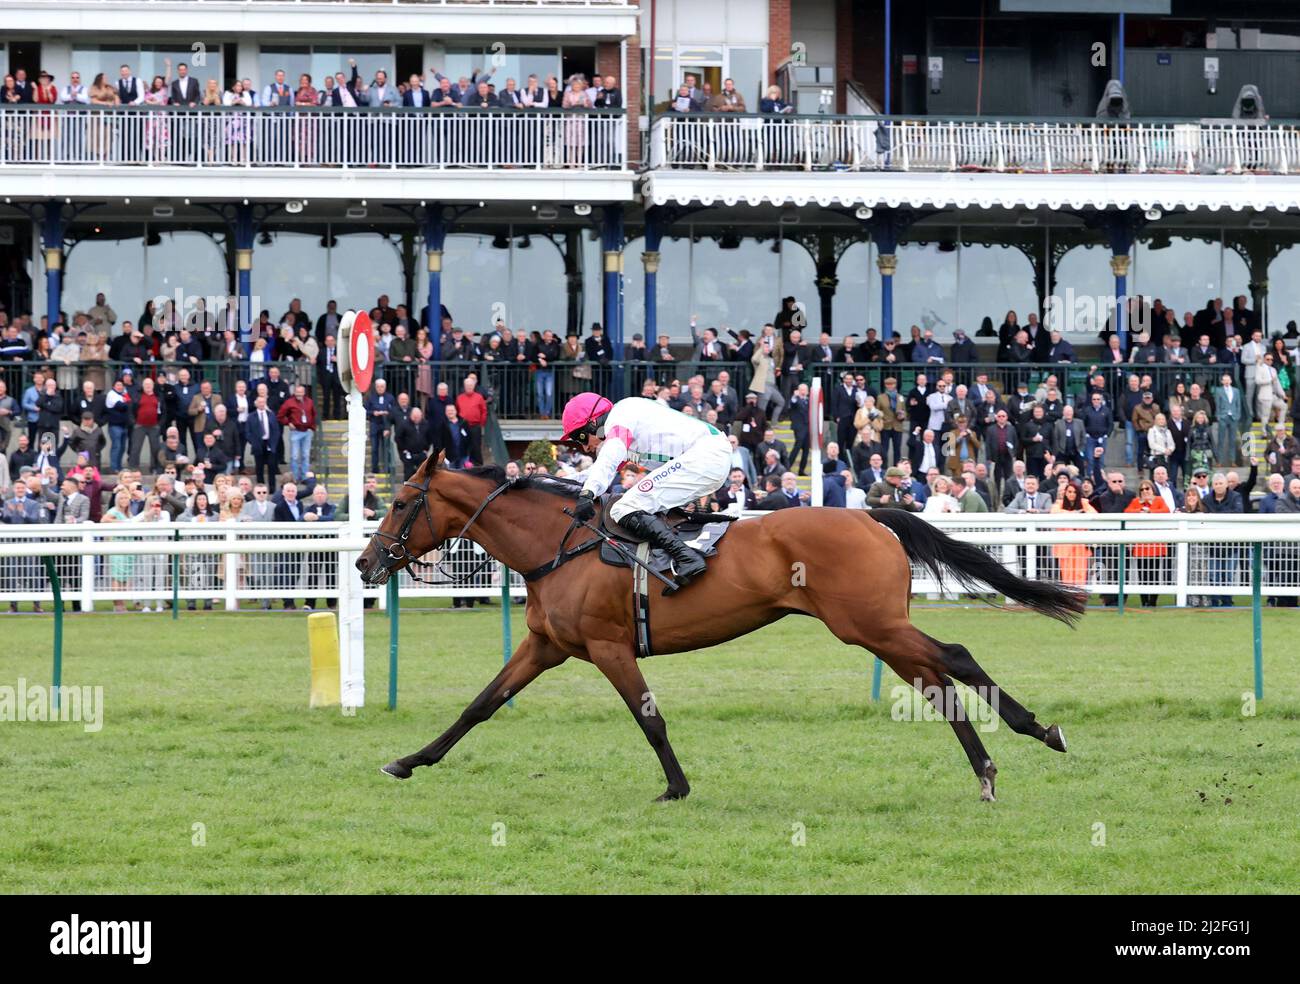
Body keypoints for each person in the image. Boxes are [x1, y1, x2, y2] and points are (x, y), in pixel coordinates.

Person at [564, 391, 732, 587]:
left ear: (593, 422)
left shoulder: (619, 418)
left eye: (580, 437)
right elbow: (598, 471)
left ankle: (687, 558)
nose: (584, 447)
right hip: (707, 457)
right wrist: (554, 482)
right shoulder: (625, 425)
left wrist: (588, 493)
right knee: (638, 504)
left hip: (704, 456)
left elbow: (608, 462)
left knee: (623, 508)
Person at [1124, 480, 1170, 607]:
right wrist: (1140, 509)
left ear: (1153, 489)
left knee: (1154, 574)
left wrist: (1150, 510)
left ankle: (1153, 601)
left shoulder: (1159, 500)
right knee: (1142, 574)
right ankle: (1144, 601)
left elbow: (1166, 511)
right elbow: (1127, 512)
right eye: (1142, 489)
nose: (1145, 491)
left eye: (1147, 489)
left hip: (1155, 543)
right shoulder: (1136, 502)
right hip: (1141, 544)